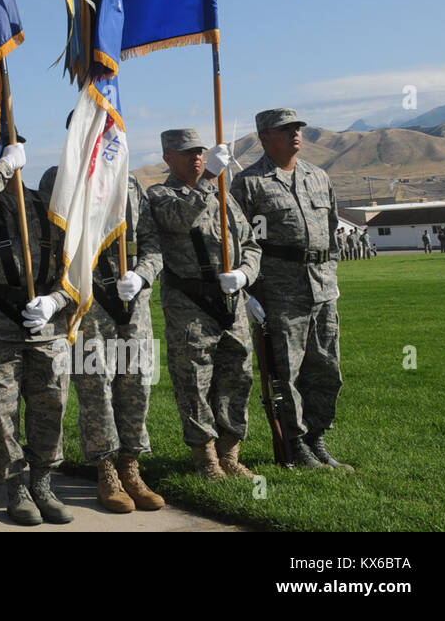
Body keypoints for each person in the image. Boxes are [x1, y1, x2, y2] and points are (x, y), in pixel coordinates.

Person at [0, 136, 73, 526]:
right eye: (2, 151)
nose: (11, 158)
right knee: (2, 417)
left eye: (14, 150)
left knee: (49, 410)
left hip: (46, 329)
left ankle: (42, 482)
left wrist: (56, 300)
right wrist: (1, 169)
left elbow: (73, 266)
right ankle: (15, 488)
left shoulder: (43, 205)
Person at [39, 161, 165, 514]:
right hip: (87, 299)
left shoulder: (130, 182)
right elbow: (53, 239)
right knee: (96, 386)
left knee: (137, 382)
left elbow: (153, 244)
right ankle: (106, 469)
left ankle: (131, 465)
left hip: (131, 302)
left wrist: (143, 275)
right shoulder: (58, 179)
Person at [231, 108, 351, 470]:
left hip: (322, 288)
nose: (296, 134)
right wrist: (249, 292)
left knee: (326, 366)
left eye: (298, 128)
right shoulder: (250, 183)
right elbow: (242, 243)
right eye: (286, 130)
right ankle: (295, 444)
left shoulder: (318, 177)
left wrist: (331, 275)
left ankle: (318, 438)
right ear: (265, 137)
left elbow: (331, 232)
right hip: (279, 292)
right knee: (287, 372)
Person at [147, 129, 261, 481]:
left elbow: (251, 242)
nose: (197, 157)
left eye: (200, 152)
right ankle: (205, 456)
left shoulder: (224, 195)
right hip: (190, 304)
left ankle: (230, 450)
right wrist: (210, 176)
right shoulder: (160, 195)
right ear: (168, 157)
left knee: (237, 375)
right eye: (187, 153)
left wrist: (245, 274)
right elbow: (181, 218)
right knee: (194, 380)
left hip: (231, 301)